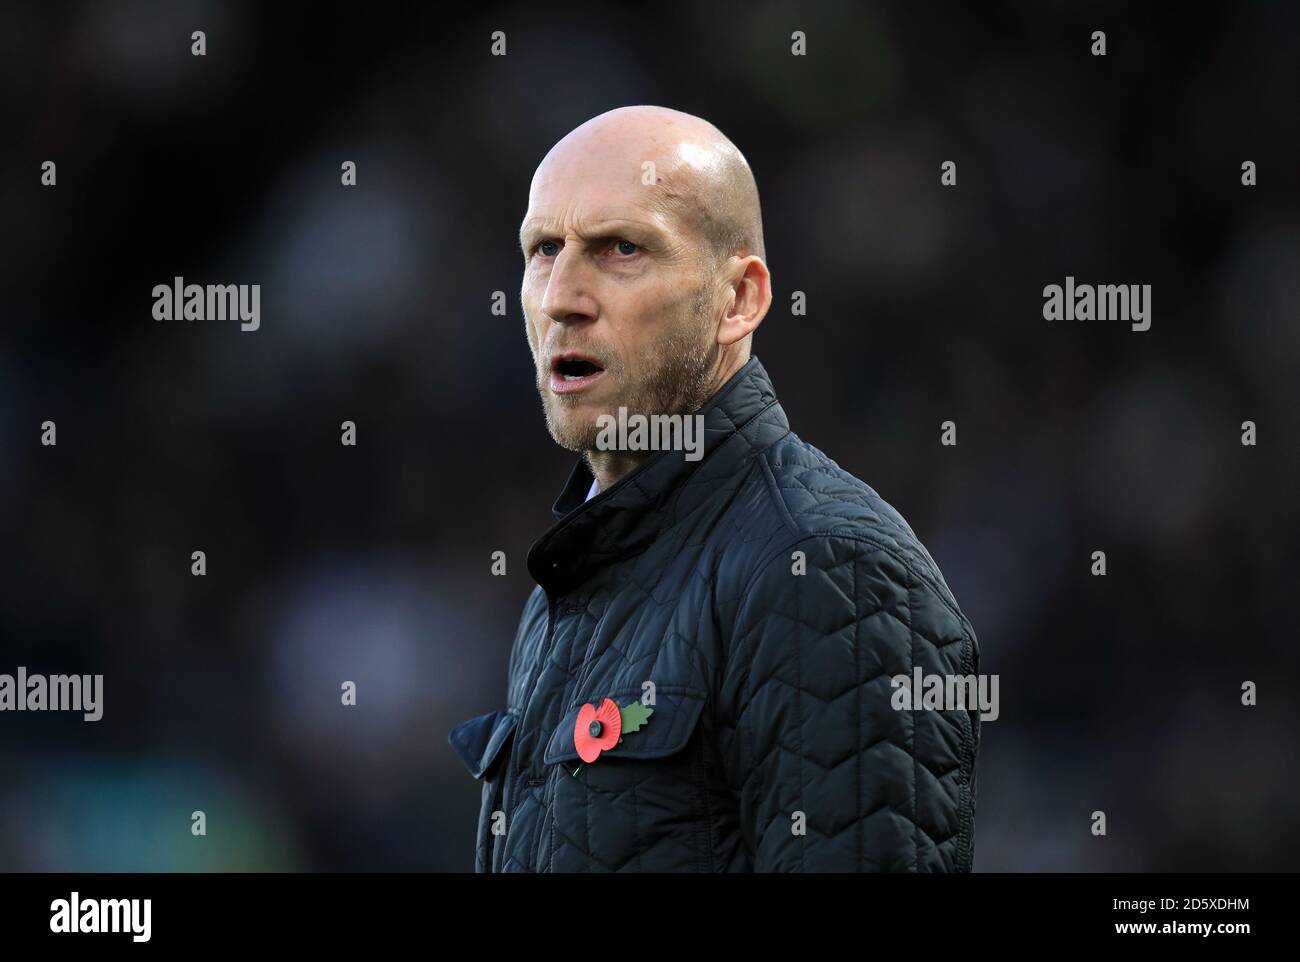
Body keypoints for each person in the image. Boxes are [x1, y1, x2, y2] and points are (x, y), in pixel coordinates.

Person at [448, 105, 980, 872]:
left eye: (621, 249)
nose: (562, 295)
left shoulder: (829, 567)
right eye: (542, 251)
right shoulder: (566, 590)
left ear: (739, 301)